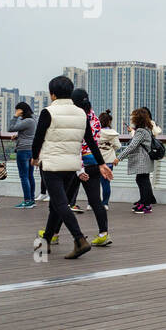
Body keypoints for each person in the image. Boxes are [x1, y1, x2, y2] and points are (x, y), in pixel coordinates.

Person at [31, 75, 113, 258]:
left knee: (60, 204)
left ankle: (79, 239)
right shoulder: (81, 114)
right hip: (72, 165)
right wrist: (101, 163)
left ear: (52, 94)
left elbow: (37, 139)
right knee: (56, 205)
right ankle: (45, 243)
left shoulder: (48, 112)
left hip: (52, 165)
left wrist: (35, 157)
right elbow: (91, 141)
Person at [67, 89, 111, 246]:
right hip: (94, 162)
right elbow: (94, 142)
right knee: (95, 201)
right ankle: (103, 234)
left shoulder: (77, 118)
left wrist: (79, 169)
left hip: (79, 163)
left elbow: (77, 144)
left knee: (63, 201)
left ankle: (53, 234)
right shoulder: (95, 118)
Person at [112, 108, 156, 213]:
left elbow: (132, 146)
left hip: (142, 160)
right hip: (146, 160)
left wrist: (119, 157)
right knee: (142, 180)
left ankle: (145, 205)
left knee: (142, 181)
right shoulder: (146, 129)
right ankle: (145, 202)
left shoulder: (141, 131)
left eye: (134, 117)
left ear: (138, 119)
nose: (132, 119)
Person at [10, 102, 37, 208]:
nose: (16, 112)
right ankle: (32, 199)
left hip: (23, 150)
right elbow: (29, 134)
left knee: (24, 176)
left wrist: (15, 116)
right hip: (31, 149)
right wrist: (18, 136)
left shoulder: (27, 120)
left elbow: (10, 127)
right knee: (30, 175)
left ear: (21, 110)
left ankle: (27, 200)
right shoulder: (33, 120)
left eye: (17, 110)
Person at [96, 110, 119, 208]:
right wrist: (110, 147)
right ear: (109, 121)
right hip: (109, 161)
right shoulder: (113, 134)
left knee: (94, 184)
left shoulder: (96, 132)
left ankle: (91, 203)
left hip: (96, 161)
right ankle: (105, 203)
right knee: (106, 183)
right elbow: (118, 146)